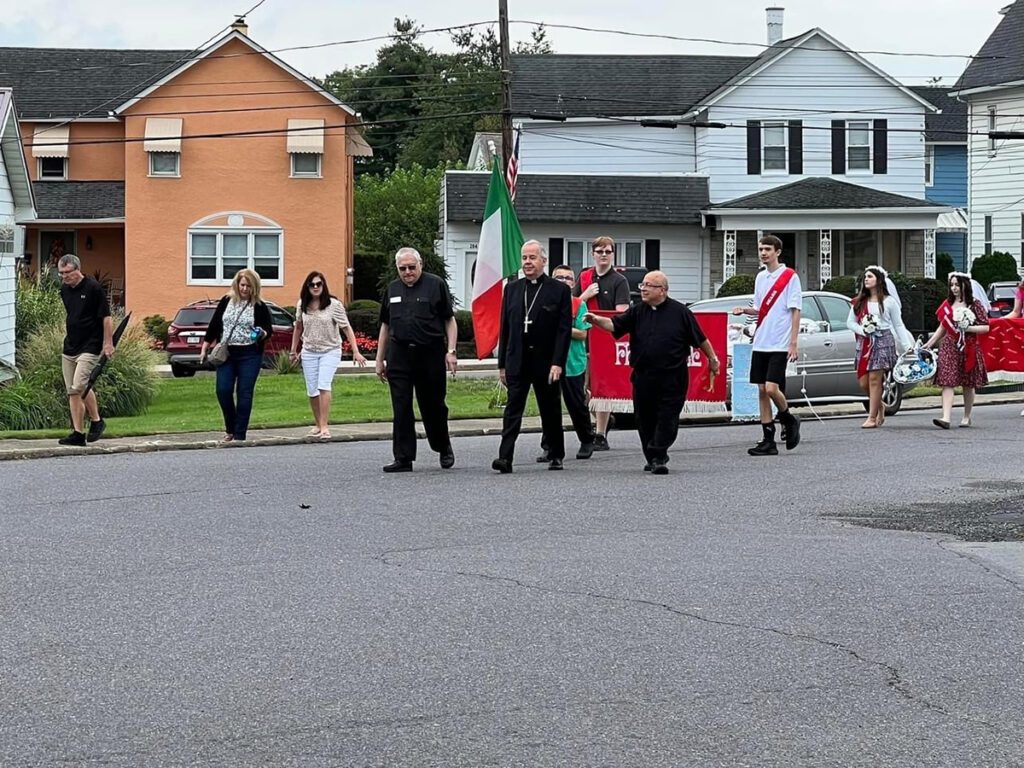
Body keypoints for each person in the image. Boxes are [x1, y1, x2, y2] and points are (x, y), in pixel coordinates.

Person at [585, 271, 720, 474]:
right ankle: (652, 456)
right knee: (644, 418)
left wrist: (713, 359)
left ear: (662, 290)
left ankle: (658, 455)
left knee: (667, 417)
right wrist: (596, 319)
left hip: (673, 377)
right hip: (643, 375)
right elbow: (614, 325)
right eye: (643, 285)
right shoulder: (637, 311)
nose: (643, 289)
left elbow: (700, 339)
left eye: (649, 285)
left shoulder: (680, 312)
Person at [492, 240, 572, 473]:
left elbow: (563, 330)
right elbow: (505, 328)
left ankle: (555, 453)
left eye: (532, 258)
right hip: (517, 360)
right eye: (525, 258)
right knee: (512, 410)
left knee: (550, 409)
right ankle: (505, 457)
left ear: (543, 261)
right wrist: (502, 365)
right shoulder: (512, 289)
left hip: (546, 362)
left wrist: (558, 363)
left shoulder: (559, 290)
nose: (527, 262)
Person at [376, 247, 458, 473]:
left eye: (412, 267)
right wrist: (379, 359)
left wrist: (451, 351)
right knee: (401, 406)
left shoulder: (435, 285)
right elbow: (385, 325)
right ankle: (403, 458)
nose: (407, 272)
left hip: (429, 353)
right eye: (402, 268)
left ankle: (442, 445)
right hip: (399, 354)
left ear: (420, 265)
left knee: (433, 406)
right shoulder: (392, 289)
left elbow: (449, 320)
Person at [731, 235, 802, 456]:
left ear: (777, 252)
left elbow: (795, 310)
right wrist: (744, 310)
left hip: (779, 342)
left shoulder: (790, 277)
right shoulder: (761, 277)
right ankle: (768, 439)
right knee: (761, 390)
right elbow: (760, 308)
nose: (763, 253)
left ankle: (788, 418)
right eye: (761, 249)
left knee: (772, 388)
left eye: (768, 249)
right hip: (761, 340)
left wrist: (793, 342)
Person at [289, 271, 367, 439]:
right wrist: (293, 350)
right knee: (312, 390)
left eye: (319, 284)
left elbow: (346, 327)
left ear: (323, 286)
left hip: (330, 350)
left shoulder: (333, 305)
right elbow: (298, 327)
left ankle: (324, 426)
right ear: (307, 287)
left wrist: (356, 351)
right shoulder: (302, 304)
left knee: (323, 385)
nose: (315, 287)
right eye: (312, 284)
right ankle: (318, 424)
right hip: (309, 351)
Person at [199, 269, 274, 443]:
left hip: (250, 354)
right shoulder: (227, 300)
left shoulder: (259, 306)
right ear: (237, 284)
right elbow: (215, 323)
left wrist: (261, 333)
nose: (245, 289)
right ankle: (230, 428)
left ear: (254, 287)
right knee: (223, 390)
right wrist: (205, 346)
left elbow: (268, 330)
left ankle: (239, 434)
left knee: (244, 393)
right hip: (227, 353)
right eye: (242, 285)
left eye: (249, 286)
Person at [574, 236, 630, 451]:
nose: (604, 255)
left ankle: (600, 434)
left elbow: (622, 314)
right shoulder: (585, 277)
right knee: (582, 389)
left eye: (607, 251)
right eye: (600, 251)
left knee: (601, 387)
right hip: (583, 338)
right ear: (593, 254)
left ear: (613, 254)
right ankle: (602, 420)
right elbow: (570, 305)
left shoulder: (619, 281)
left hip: (605, 340)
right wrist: (585, 295)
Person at [537, 265, 595, 462]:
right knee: (548, 407)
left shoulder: (578, 305)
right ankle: (549, 446)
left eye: (568, 278)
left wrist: (561, 328)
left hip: (572, 363)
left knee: (576, 404)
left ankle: (587, 439)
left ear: (573, 283)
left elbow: (583, 333)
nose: (563, 281)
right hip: (548, 362)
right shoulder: (544, 302)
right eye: (559, 278)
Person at [846, 266, 915, 428]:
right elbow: (850, 322)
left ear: (879, 280)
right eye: (865, 277)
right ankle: (879, 405)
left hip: (883, 341)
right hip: (865, 342)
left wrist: (907, 345)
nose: (866, 279)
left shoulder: (889, 302)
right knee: (864, 383)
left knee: (875, 379)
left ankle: (871, 417)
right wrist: (862, 330)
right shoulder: (859, 302)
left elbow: (898, 325)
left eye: (870, 276)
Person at [56, 254, 113, 446]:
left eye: (67, 272)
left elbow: (106, 317)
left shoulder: (93, 288)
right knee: (72, 391)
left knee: (79, 386)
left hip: (91, 344)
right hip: (70, 345)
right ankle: (78, 433)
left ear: (77, 269)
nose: (64, 276)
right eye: (61, 273)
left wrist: (108, 343)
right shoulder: (64, 290)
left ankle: (96, 420)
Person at [922, 272, 990, 429]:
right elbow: (942, 327)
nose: (954, 288)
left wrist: (968, 328)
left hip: (968, 347)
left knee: (968, 383)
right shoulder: (948, 304)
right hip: (949, 346)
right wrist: (930, 343)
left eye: (957, 285)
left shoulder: (975, 304)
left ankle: (966, 416)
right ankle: (946, 417)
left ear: (965, 285)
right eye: (952, 285)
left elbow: (985, 327)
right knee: (948, 381)